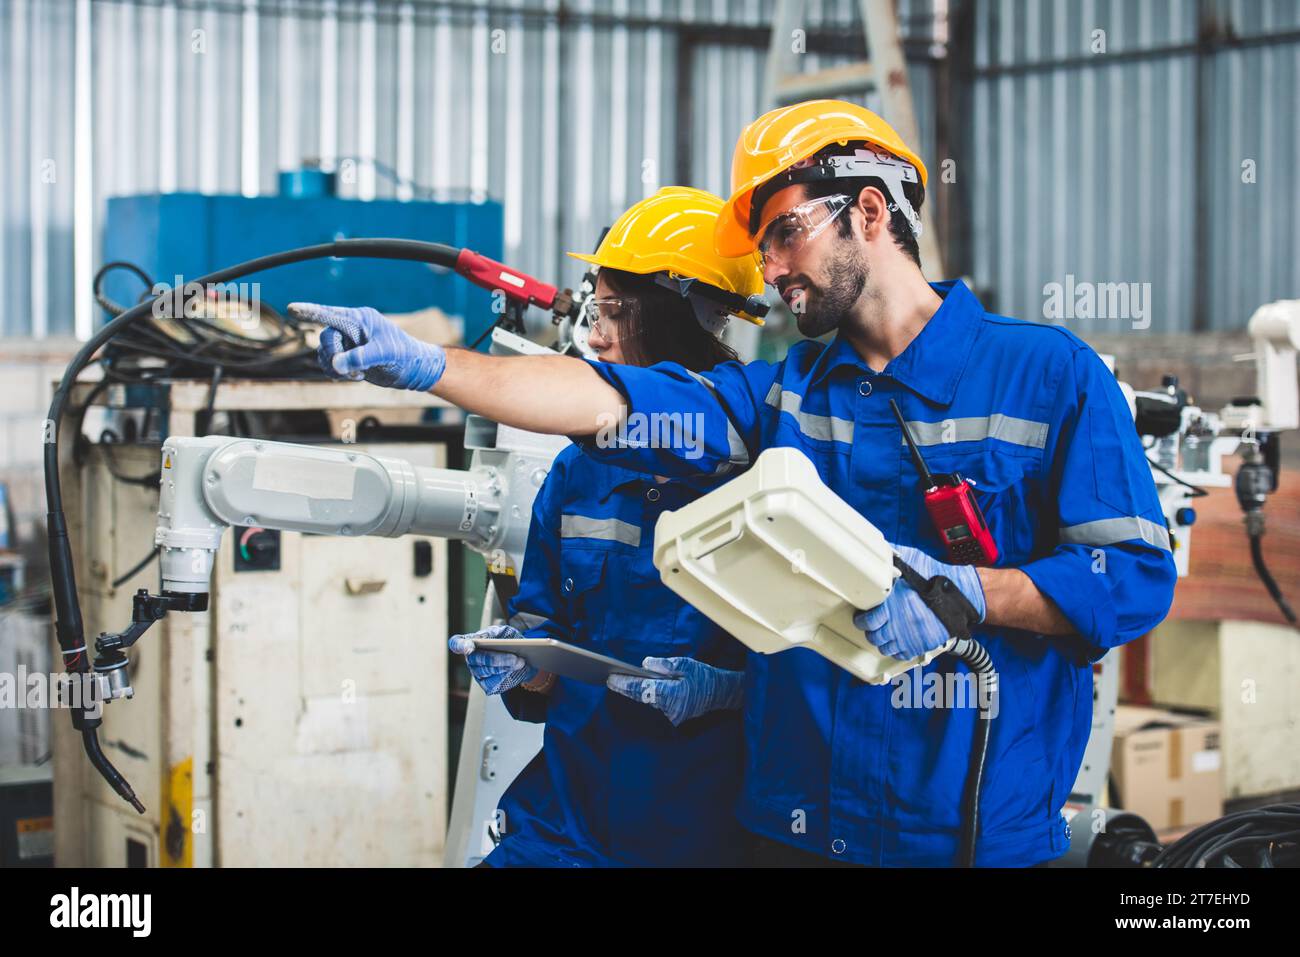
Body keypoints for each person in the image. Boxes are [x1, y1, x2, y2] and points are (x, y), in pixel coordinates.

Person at [289, 100, 1177, 867]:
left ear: (869, 210)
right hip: (792, 835)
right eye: (762, 246)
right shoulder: (783, 395)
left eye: (785, 231)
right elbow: (610, 401)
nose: (774, 268)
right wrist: (423, 366)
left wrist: (972, 593)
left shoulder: (1047, 375)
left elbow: (1133, 578)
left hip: (967, 834)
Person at [297, 187, 767, 866]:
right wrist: (523, 660)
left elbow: (826, 675)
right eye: (592, 310)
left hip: (702, 834)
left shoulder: (767, 462)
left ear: (682, 315)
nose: (593, 335)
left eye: (612, 313)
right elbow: (544, 644)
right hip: (564, 828)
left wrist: (732, 690)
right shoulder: (581, 469)